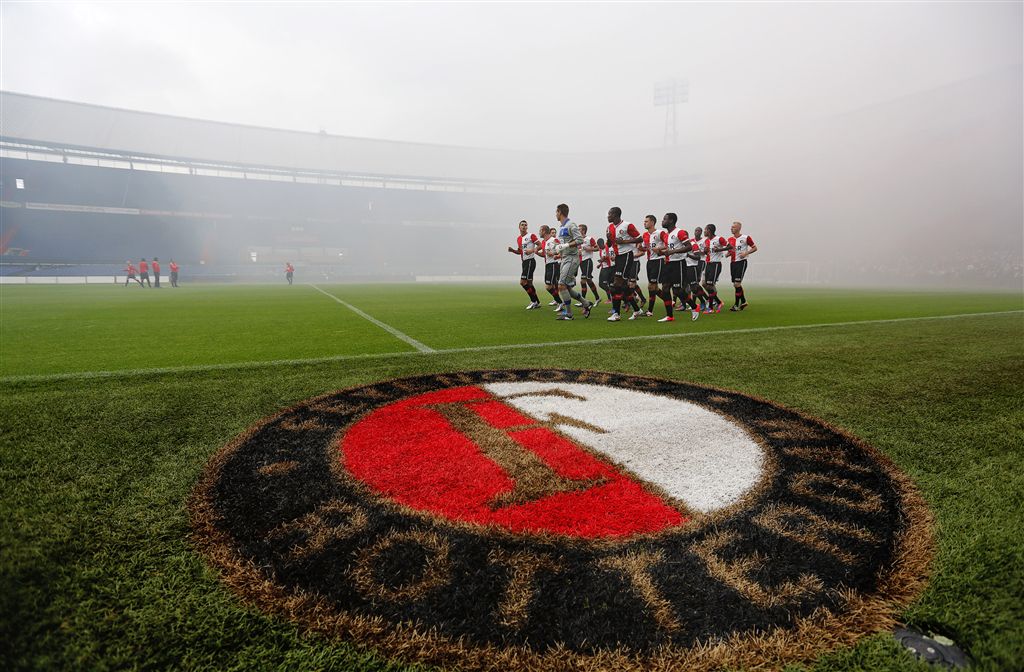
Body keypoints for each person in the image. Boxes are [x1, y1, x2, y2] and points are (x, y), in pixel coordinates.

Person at [654, 213, 700, 323]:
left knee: (678, 291)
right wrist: (661, 252)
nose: (662, 221)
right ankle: (670, 316)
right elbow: (668, 249)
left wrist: (672, 251)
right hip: (668, 264)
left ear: (671, 220)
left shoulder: (680, 232)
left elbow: (688, 246)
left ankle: (694, 306)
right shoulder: (666, 235)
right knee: (665, 290)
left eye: (664, 219)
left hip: (678, 264)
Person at [553, 203, 593, 320]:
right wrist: (557, 248)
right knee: (567, 288)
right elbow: (563, 246)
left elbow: (580, 239)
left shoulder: (571, 224)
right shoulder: (561, 228)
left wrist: (565, 245)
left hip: (571, 259)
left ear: (560, 212)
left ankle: (569, 314)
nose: (555, 214)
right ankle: (586, 303)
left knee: (561, 285)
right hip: (564, 258)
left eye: (556, 212)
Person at [605, 207, 642, 322]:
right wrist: (609, 240)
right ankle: (637, 309)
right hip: (618, 257)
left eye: (609, 214)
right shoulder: (609, 227)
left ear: (616, 215)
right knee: (623, 286)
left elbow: (639, 238)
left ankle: (616, 314)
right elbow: (610, 244)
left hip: (627, 255)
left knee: (616, 284)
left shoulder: (627, 225)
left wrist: (625, 241)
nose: (608, 216)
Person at [507, 220, 541, 309]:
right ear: (519, 227)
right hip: (524, 262)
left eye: (525, 225)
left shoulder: (531, 236)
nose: (524, 226)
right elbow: (520, 251)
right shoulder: (518, 238)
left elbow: (540, 245)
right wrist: (513, 251)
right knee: (529, 283)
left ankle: (533, 301)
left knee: (523, 282)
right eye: (522, 225)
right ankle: (537, 302)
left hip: (530, 261)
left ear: (527, 227)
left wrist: (532, 250)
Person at [700, 224, 733, 313]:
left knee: (710, 285)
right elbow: (705, 252)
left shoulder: (719, 239)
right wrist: (704, 251)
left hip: (716, 265)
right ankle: (718, 302)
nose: (704, 231)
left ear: (709, 230)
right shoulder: (706, 241)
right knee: (706, 285)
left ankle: (710, 308)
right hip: (708, 264)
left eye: (705, 230)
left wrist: (719, 250)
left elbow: (730, 246)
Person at [727, 221, 757, 311]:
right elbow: (731, 251)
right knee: (735, 284)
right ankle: (743, 301)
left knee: (737, 284)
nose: (731, 228)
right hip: (733, 263)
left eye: (734, 227)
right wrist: (727, 254)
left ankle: (736, 305)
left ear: (739, 228)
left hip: (741, 262)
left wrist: (746, 253)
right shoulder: (729, 239)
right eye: (731, 227)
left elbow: (755, 248)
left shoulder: (745, 237)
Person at [640, 214, 665, 318]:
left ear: (652, 222)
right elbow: (644, 248)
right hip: (649, 261)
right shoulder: (645, 235)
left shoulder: (660, 233)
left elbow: (668, 244)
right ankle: (669, 300)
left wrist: (659, 249)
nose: (644, 223)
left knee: (651, 286)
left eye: (646, 221)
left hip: (658, 261)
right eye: (644, 221)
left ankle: (650, 311)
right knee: (654, 287)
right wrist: (640, 247)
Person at [536, 225, 562, 308]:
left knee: (549, 286)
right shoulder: (544, 242)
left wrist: (554, 254)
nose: (539, 232)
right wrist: (536, 252)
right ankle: (559, 302)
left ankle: (560, 302)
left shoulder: (554, 240)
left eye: (540, 231)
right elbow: (544, 254)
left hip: (554, 264)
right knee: (549, 286)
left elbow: (562, 251)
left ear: (543, 231)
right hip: (548, 265)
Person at [577, 225, 601, 305]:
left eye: (579, 229)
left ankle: (583, 301)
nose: (577, 230)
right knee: (589, 280)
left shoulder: (589, 239)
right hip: (581, 262)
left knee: (583, 281)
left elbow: (597, 248)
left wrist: (589, 249)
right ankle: (597, 298)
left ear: (583, 231)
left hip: (587, 261)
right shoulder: (577, 240)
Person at [597, 238, 615, 304]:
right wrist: (600, 264)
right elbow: (604, 258)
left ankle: (611, 298)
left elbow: (607, 257)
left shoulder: (608, 248)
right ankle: (611, 296)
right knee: (601, 284)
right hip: (603, 267)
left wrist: (602, 259)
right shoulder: (601, 250)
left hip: (608, 268)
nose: (600, 246)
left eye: (600, 245)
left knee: (606, 284)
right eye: (599, 245)